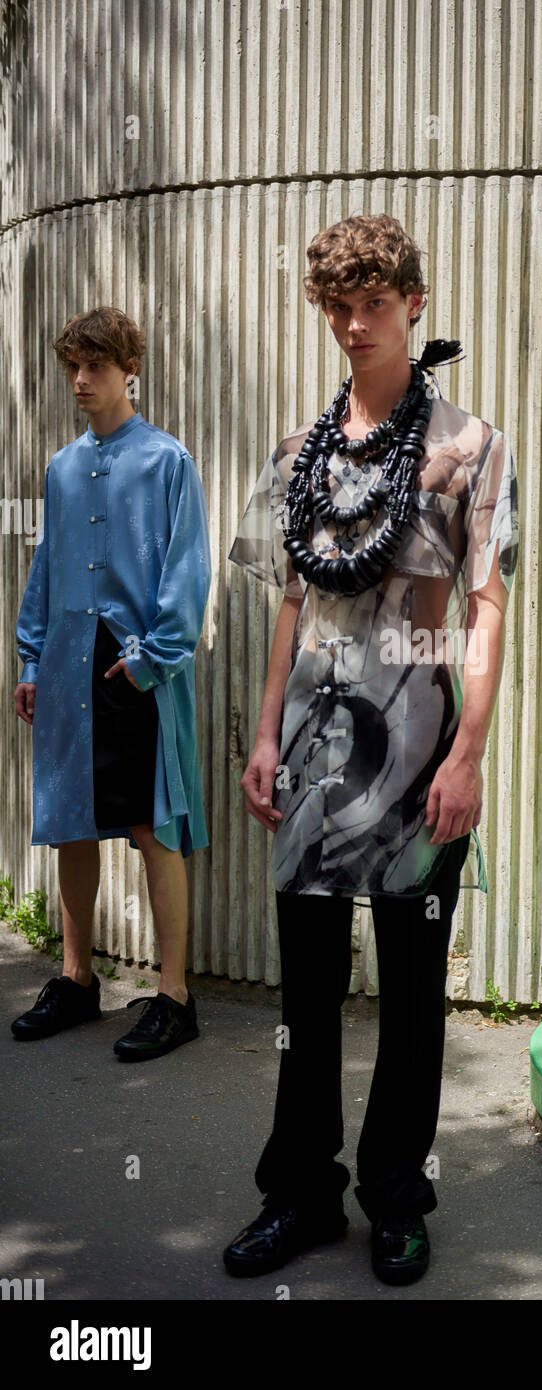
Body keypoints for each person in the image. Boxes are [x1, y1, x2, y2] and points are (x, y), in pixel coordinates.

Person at [223, 213, 518, 1286]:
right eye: (338, 306)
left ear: (414, 306)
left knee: (412, 986)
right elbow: (290, 608)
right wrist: (263, 732)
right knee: (304, 992)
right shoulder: (299, 458)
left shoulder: (470, 448)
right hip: (308, 748)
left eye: (375, 304)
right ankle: (298, 1191)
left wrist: (471, 751)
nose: (355, 324)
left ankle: (395, 1195)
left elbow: (485, 609)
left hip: (417, 751)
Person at [12, 307, 211, 1061]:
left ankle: (173, 995)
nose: (80, 381)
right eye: (73, 367)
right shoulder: (62, 468)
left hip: (134, 667)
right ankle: (76, 978)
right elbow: (46, 567)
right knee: (69, 820)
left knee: (150, 824)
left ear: (130, 370)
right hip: (66, 661)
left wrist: (154, 658)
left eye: (94, 367)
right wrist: (31, 661)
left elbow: (188, 570)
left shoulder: (166, 460)